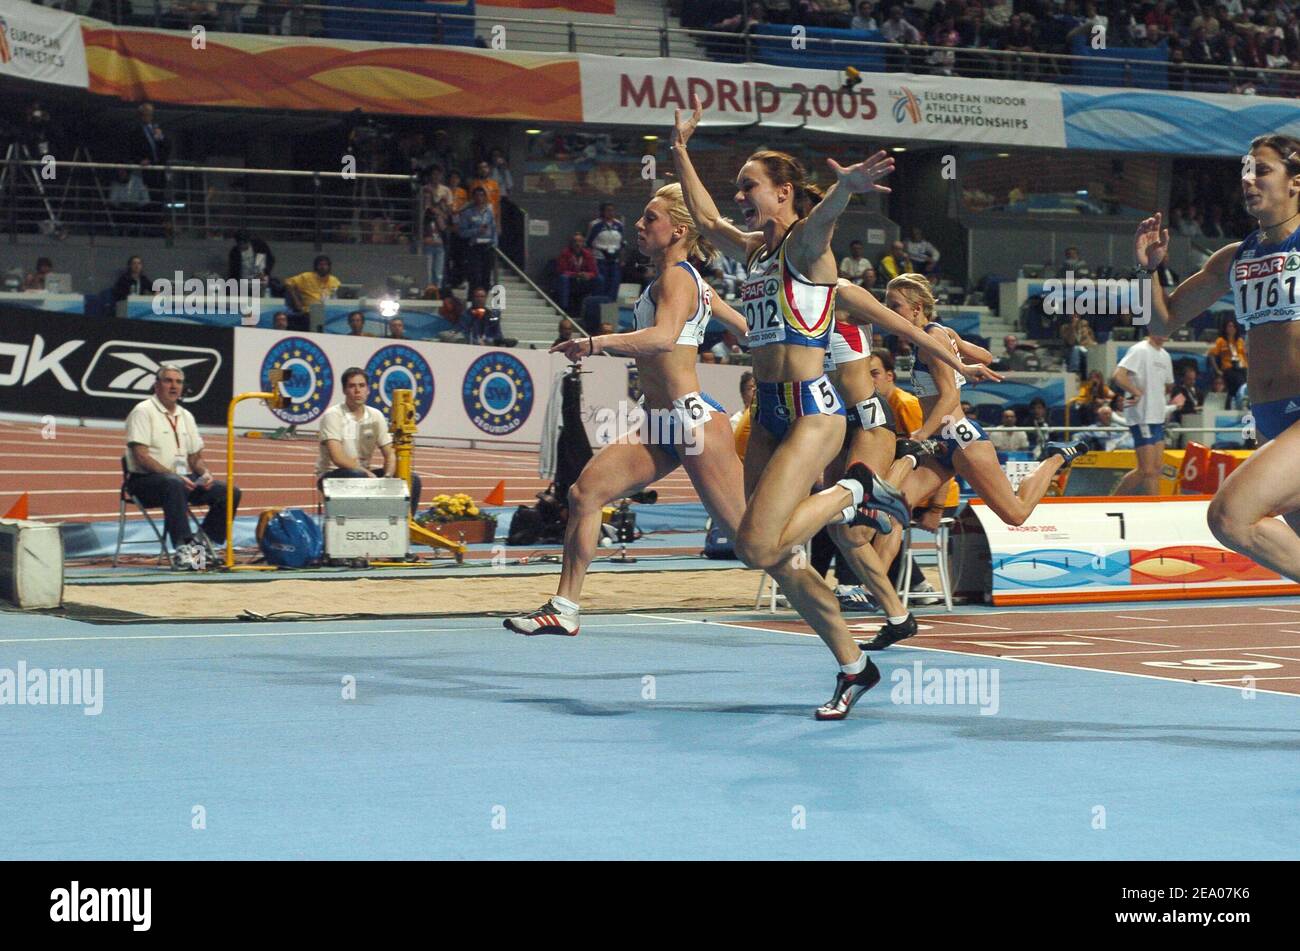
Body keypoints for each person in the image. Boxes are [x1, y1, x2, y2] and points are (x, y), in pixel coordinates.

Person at [670, 101, 997, 718]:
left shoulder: (806, 247)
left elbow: (823, 226)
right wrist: (680, 150)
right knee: (772, 554)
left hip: (812, 414)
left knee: (758, 545)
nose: (739, 195)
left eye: (751, 186)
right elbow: (706, 217)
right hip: (767, 411)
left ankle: (852, 491)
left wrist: (846, 189)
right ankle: (855, 665)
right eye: (738, 186)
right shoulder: (756, 254)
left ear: (784, 192)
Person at [506, 183, 748, 639]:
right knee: (584, 493)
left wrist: (595, 343)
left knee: (753, 542)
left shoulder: (678, 277)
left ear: (678, 229)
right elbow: (749, 331)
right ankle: (564, 607)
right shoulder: (685, 281)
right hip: (659, 423)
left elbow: (661, 338)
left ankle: (841, 510)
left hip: (691, 419)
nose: (638, 225)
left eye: (650, 218)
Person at [866, 275, 1088, 618]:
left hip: (959, 436)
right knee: (897, 506)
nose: (887, 311)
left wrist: (921, 435)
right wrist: (962, 349)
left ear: (916, 309)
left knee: (1015, 513)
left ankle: (1055, 457)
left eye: (894, 306)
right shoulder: (939, 334)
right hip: (942, 442)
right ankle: (874, 590)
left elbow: (951, 397)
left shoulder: (930, 339)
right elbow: (984, 354)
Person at [1136, 134, 1300, 583]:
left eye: (1262, 170)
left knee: (1231, 516)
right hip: (1272, 421)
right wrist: (1149, 270)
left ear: (1296, 182)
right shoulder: (1235, 258)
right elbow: (1161, 324)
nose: (1248, 179)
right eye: (1245, 171)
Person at [125, 364, 241, 570]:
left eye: (178, 382)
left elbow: (195, 458)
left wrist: (205, 473)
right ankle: (183, 548)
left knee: (229, 492)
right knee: (172, 483)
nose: (174, 386)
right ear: (156, 385)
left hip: (181, 481)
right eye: (168, 380)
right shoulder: (143, 411)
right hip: (145, 483)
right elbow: (140, 456)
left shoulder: (186, 416)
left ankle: (200, 549)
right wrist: (175, 477)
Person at [316, 367, 422, 515]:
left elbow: (390, 453)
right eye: (352, 386)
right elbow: (338, 458)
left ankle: (405, 526)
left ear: (368, 390)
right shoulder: (333, 415)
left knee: (412, 479)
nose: (357, 390)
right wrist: (367, 474)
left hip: (364, 475)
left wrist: (387, 478)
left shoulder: (375, 415)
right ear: (345, 390)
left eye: (361, 385)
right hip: (332, 476)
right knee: (357, 477)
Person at [1110, 334, 1177, 495]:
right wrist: (1135, 392)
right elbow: (1118, 375)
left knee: (1156, 469)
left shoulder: (1165, 355)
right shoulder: (1139, 350)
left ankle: (1155, 509)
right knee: (1145, 470)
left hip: (1157, 416)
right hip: (1142, 415)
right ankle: (1111, 501)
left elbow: (1168, 384)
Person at [457, 187, 497, 293]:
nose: (479, 198)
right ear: (473, 197)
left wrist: (495, 243)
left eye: (482, 195)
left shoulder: (489, 212)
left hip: (487, 246)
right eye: (477, 195)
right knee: (474, 276)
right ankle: (472, 300)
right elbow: (462, 232)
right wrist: (476, 231)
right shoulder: (468, 213)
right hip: (474, 246)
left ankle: (484, 300)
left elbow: (493, 228)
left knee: (486, 276)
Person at [586, 202, 626, 297]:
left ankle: (610, 303)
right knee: (601, 283)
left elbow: (622, 243)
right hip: (600, 258)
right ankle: (599, 302)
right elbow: (588, 243)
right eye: (608, 211)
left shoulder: (619, 225)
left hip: (614, 258)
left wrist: (622, 259)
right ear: (602, 212)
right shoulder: (595, 224)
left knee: (614, 283)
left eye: (612, 210)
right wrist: (590, 259)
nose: (610, 213)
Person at [555, 232, 600, 316]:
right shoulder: (565, 253)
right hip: (571, 280)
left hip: (583, 280)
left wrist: (588, 275)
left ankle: (595, 306)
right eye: (575, 241)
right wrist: (576, 274)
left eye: (580, 241)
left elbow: (594, 271)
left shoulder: (588, 254)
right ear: (571, 243)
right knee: (563, 278)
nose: (577, 244)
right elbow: (561, 270)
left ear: (583, 243)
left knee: (599, 279)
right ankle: (564, 308)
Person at [1208, 315, 1248, 396]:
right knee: (1238, 381)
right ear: (1225, 328)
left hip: (1242, 367)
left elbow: (1245, 355)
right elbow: (1211, 354)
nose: (1231, 328)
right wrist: (1217, 370)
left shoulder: (1240, 341)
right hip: (1229, 368)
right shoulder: (1221, 341)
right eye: (1229, 326)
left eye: (1233, 326)